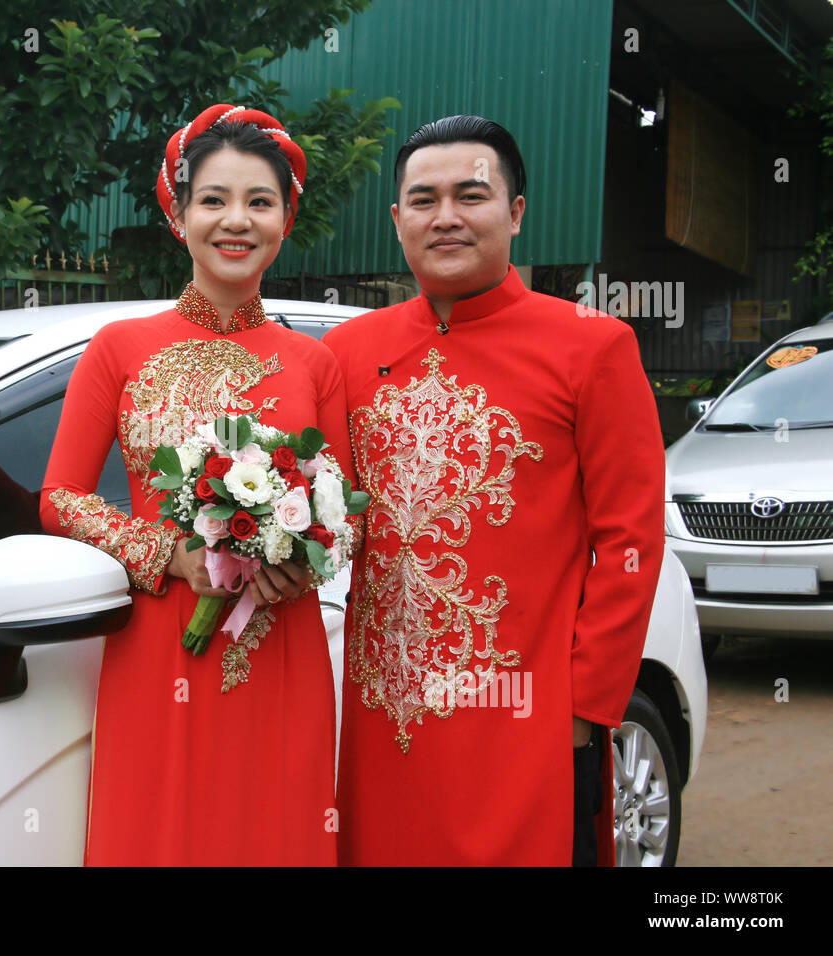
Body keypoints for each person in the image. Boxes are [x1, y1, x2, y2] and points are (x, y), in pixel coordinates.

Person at [322, 115, 664, 866]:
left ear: (515, 211)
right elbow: (324, 514)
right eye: (423, 199)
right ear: (397, 220)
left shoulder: (592, 346)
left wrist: (586, 705)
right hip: (388, 715)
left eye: (470, 195)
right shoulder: (345, 354)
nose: (445, 217)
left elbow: (632, 539)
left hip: (527, 718)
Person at [40, 103, 360, 865]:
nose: (235, 220)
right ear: (178, 214)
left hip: (282, 646)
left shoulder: (316, 364)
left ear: (285, 220)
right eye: (213, 199)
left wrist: (302, 555)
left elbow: (348, 511)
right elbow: (58, 496)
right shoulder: (119, 349)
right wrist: (169, 553)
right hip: (160, 648)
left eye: (260, 201)